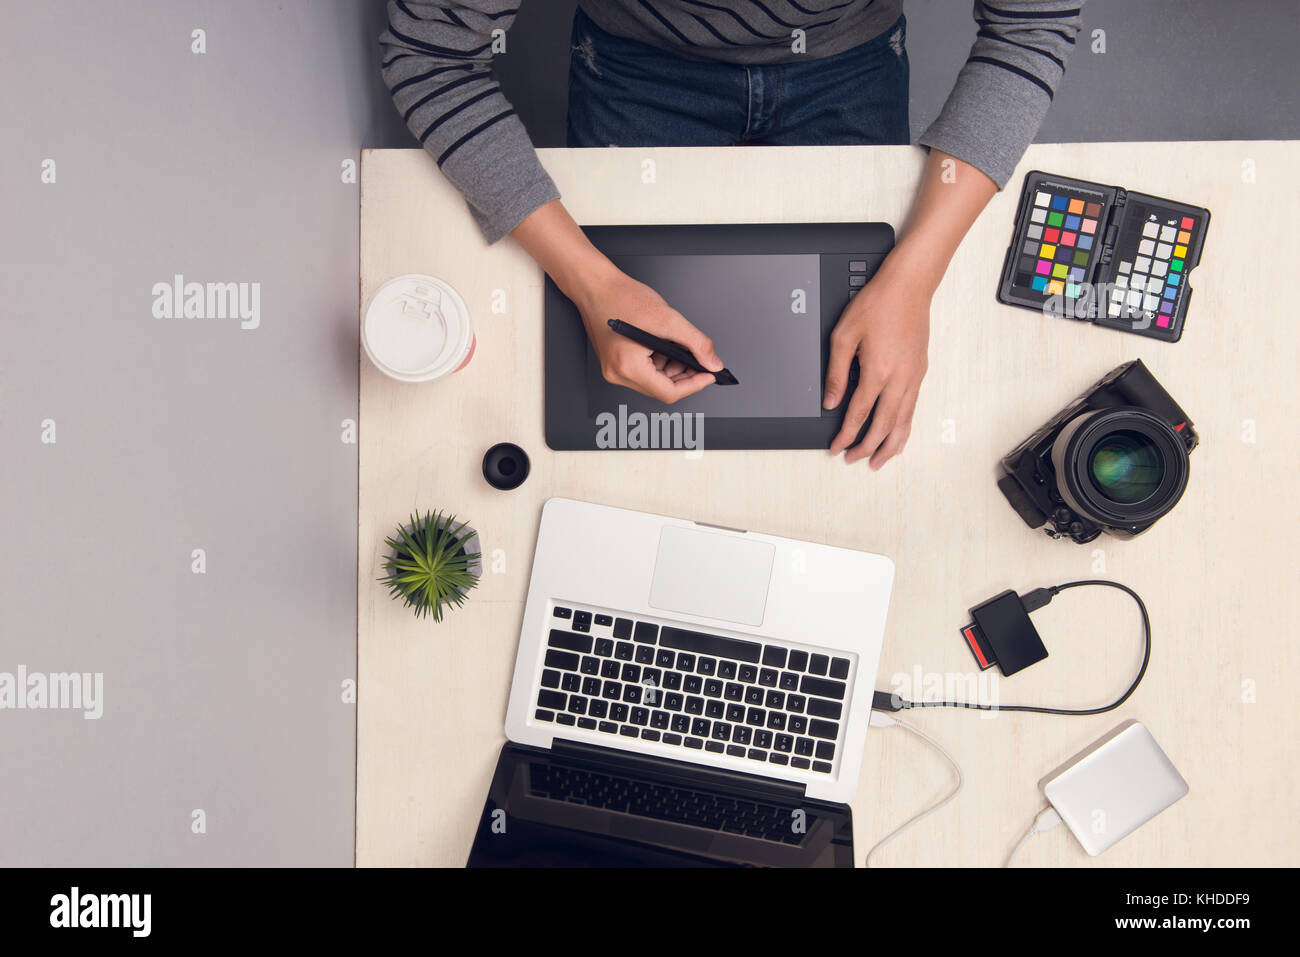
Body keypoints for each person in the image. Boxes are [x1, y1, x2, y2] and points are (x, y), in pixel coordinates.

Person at [380, 1, 1084, 468]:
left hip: (851, 57)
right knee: (616, 405)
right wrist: (591, 285)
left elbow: (1032, 24)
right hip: (633, 63)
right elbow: (430, 55)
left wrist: (916, 275)